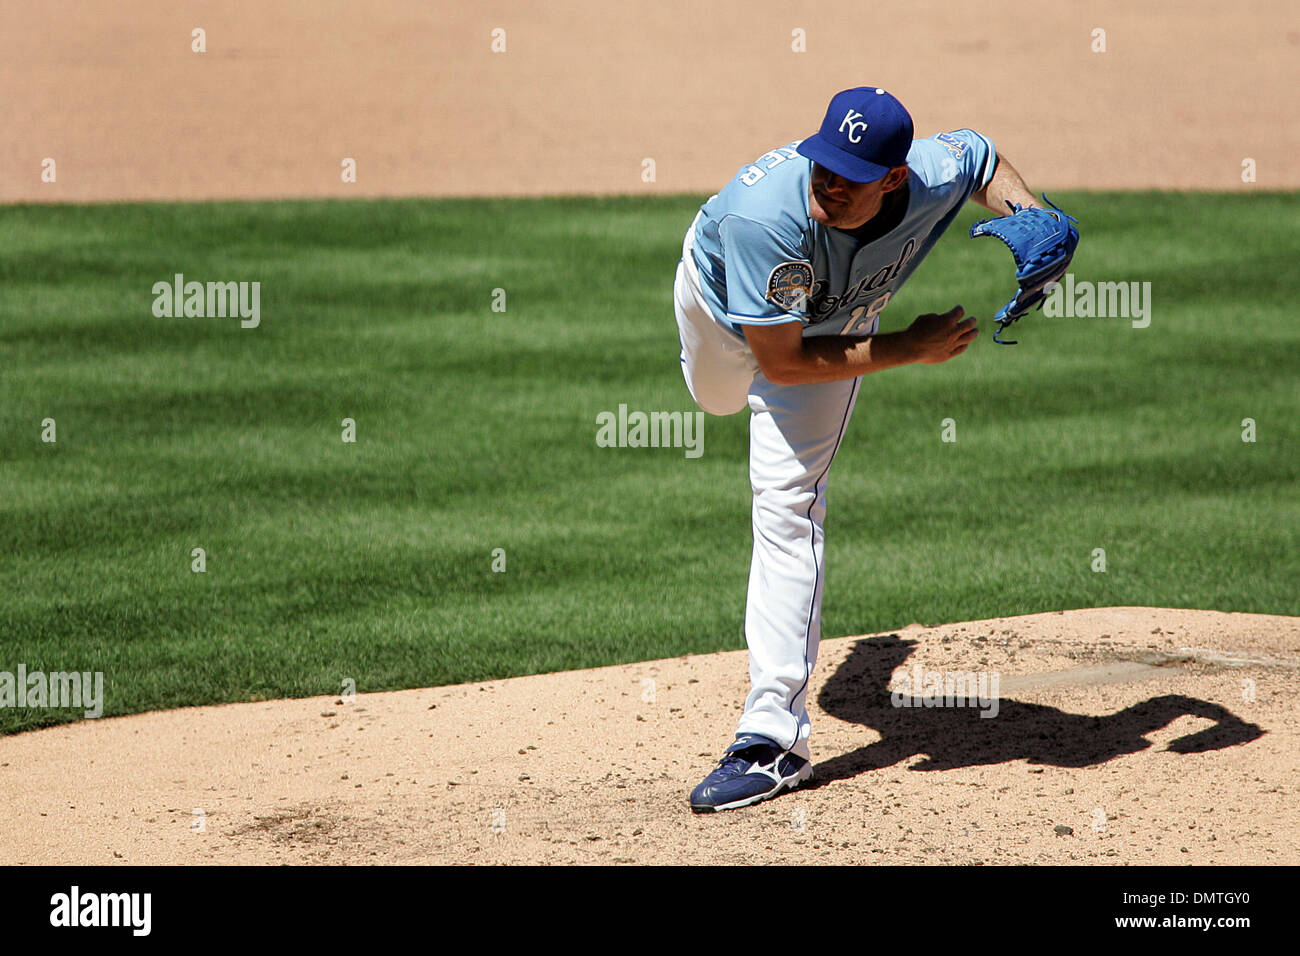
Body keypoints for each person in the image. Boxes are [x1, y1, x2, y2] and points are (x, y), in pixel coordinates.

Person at [676, 86, 1049, 812]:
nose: (830, 183)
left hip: (834, 324)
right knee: (716, 398)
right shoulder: (765, 219)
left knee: (788, 501)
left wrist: (1032, 216)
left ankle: (770, 738)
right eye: (824, 165)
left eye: (851, 176)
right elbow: (780, 361)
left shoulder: (930, 174)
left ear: (895, 178)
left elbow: (980, 155)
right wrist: (907, 346)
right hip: (723, 313)